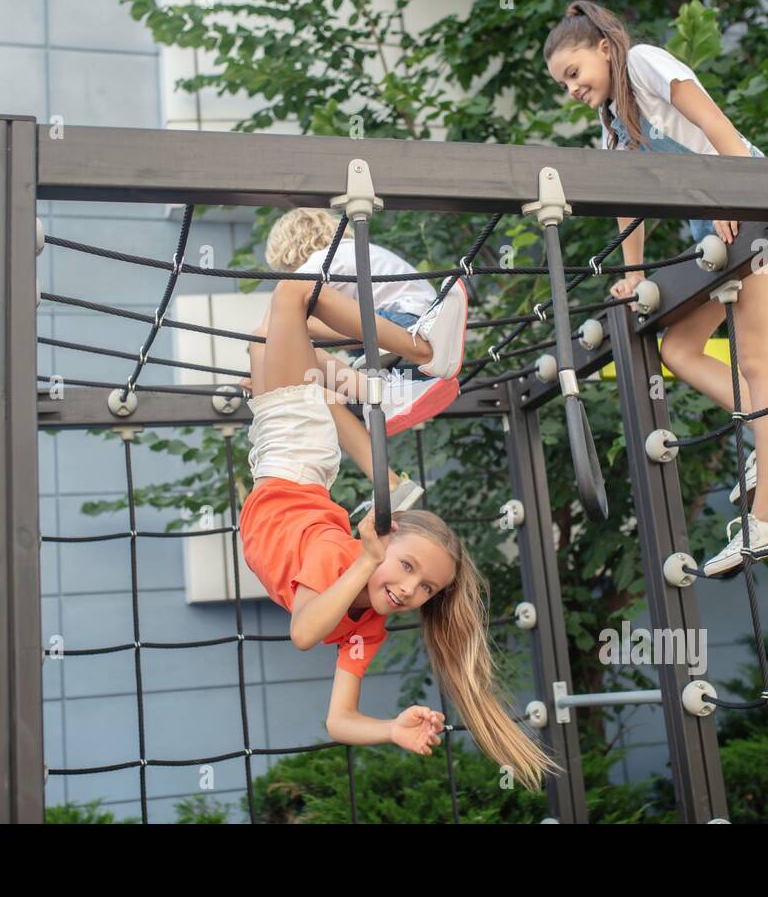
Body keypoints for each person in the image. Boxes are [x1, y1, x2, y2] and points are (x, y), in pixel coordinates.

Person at [236, 273, 561, 792]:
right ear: (382, 541)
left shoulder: (366, 623)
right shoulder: (337, 556)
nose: (412, 590)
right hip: (294, 455)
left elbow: (338, 720)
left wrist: (390, 729)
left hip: (295, 469)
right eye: (409, 569)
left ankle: (368, 394)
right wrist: (366, 559)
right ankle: (423, 350)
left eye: (426, 588)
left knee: (265, 337)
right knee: (292, 295)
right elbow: (303, 633)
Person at [543, 0, 768, 577]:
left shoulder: (643, 63)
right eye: (561, 83)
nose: (570, 88)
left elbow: (717, 125)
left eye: (573, 73)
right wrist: (633, 275)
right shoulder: (616, 122)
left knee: (759, 355)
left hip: (752, 202)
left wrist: (736, 201)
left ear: (602, 48)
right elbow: (631, 207)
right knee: (677, 349)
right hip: (718, 230)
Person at [246, 207, 469, 516]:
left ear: (289, 250)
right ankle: (391, 483)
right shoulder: (345, 261)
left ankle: (425, 351)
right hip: (385, 342)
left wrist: (258, 374)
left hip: (409, 325)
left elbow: (271, 329)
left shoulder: (324, 261)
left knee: (275, 328)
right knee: (317, 387)